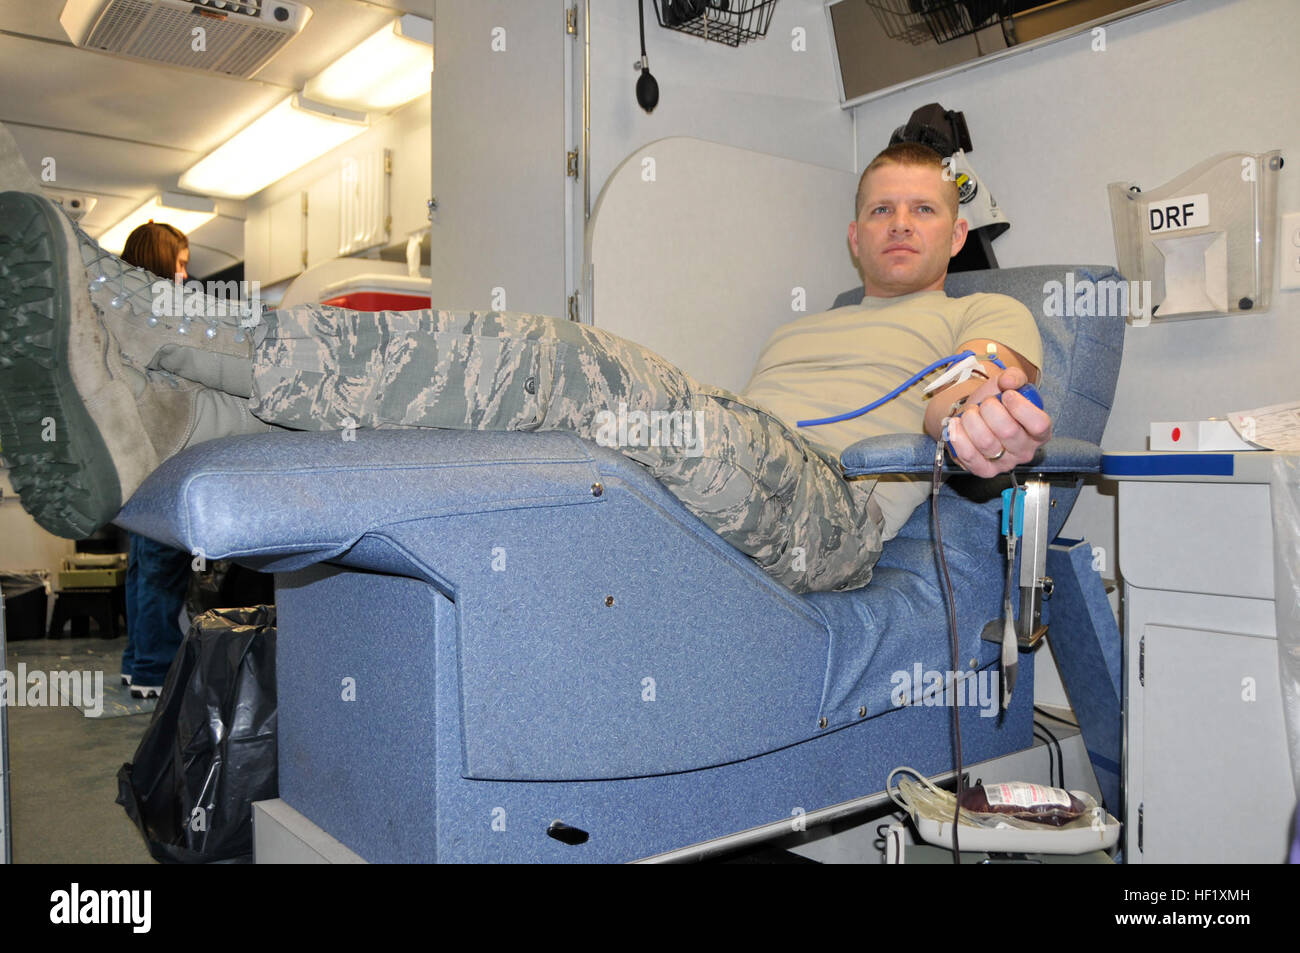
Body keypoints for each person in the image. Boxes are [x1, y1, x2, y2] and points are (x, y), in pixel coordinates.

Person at [0, 143, 1050, 594]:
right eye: (879, 208)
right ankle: (176, 429)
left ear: (956, 234)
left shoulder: (982, 307)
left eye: (922, 209)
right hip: (745, 461)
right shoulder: (799, 333)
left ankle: (152, 318)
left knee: (562, 360)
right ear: (853, 236)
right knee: (505, 425)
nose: (899, 223)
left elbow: (979, 383)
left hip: (832, 517)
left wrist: (966, 419)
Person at [114, 222, 199, 698]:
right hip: (158, 449)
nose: (185, 275)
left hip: (133, 449)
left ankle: (136, 663)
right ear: (160, 260)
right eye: (181, 264)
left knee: (144, 563)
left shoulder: (120, 308)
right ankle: (155, 669)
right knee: (162, 563)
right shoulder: (156, 314)